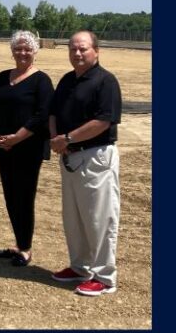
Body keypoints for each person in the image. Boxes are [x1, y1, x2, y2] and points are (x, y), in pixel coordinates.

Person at [49, 30, 122, 297]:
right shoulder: (68, 80)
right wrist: (57, 139)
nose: (77, 54)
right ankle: (80, 266)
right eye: (73, 49)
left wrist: (66, 138)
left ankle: (104, 276)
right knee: (74, 217)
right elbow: (54, 112)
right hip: (69, 156)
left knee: (99, 218)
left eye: (83, 49)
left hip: (95, 156)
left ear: (96, 51)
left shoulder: (106, 82)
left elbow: (103, 121)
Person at [0, 31, 54, 266]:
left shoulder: (41, 80)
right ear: (12, 51)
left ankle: (25, 248)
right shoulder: (3, 77)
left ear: (34, 51)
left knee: (24, 197)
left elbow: (42, 115)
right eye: (18, 48)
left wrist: (17, 137)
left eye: (27, 49)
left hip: (28, 148)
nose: (22, 53)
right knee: (10, 196)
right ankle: (18, 242)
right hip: (4, 147)